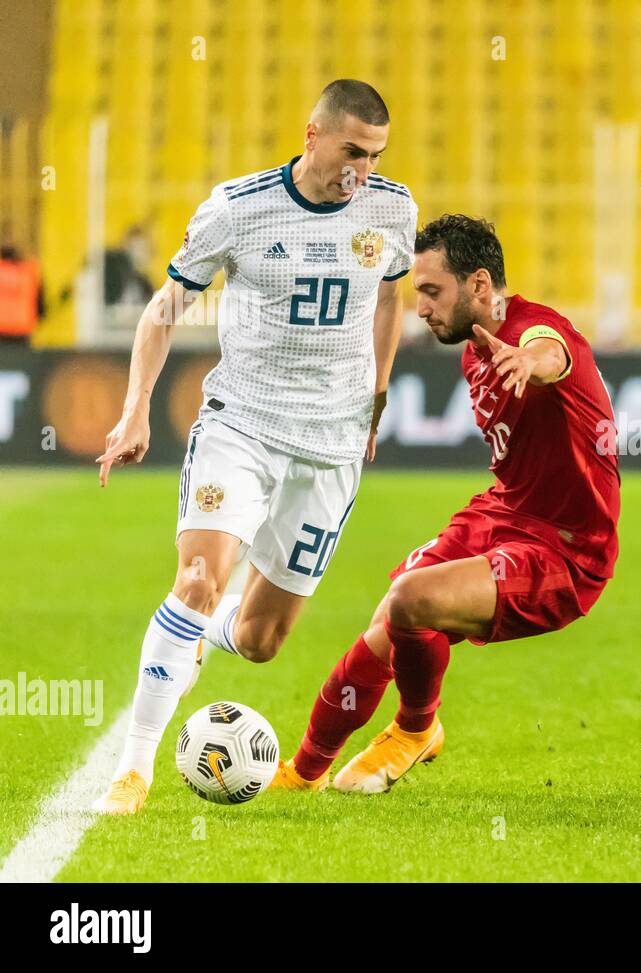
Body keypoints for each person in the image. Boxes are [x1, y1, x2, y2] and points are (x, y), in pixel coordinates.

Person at [91, 79, 416, 813]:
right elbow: (164, 306)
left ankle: (200, 630)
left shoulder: (393, 209)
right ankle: (132, 769)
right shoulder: (238, 208)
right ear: (312, 133)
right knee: (201, 574)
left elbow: (394, 295)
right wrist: (136, 406)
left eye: (374, 155)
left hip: (329, 444)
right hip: (243, 424)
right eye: (351, 151)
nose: (360, 170)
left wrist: (377, 397)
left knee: (263, 638)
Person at [271, 214, 620, 794]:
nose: (423, 309)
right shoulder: (470, 354)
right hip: (503, 514)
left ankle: (416, 728)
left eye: (432, 292)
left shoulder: (537, 330)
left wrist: (528, 363)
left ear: (480, 284)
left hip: (567, 551)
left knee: (413, 600)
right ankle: (305, 771)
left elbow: (551, 351)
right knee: (391, 616)